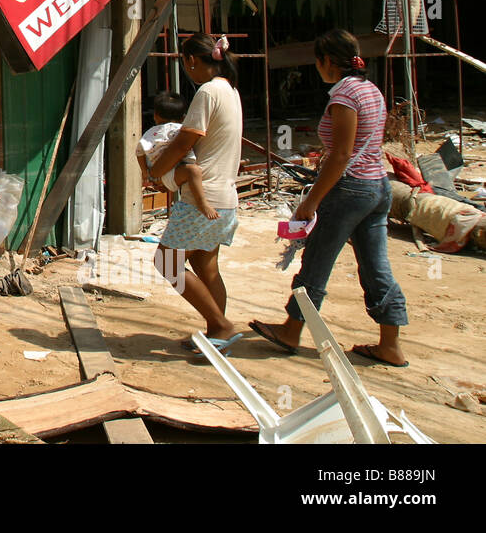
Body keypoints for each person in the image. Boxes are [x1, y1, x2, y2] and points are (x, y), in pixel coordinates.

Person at [250, 30, 409, 367]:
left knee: (316, 263)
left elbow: (340, 155)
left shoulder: (344, 96)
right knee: (376, 266)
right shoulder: (370, 89)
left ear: (326, 62)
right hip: (377, 186)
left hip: (349, 190)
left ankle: (292, 329)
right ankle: (390, 344)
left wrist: (310, 203)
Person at [146, 33, 245, 353]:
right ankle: (218, 334)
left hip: (202, 196)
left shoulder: (207, 91)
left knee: (167, 262)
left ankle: (221, 326)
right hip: (225, 196)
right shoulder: (230, 90)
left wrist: (158, 168)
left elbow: (187, 137)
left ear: (191, 60)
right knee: (206, 267)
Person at [136, 91, 214, 215]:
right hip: (172, 172)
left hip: (161, 174)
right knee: (193, 171)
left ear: (155, 116)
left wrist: (145, 172)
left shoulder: (150, 133)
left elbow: (139, 151)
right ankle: (202, 203)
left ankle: (173, 206)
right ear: (184, 117)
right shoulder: (181, 130)